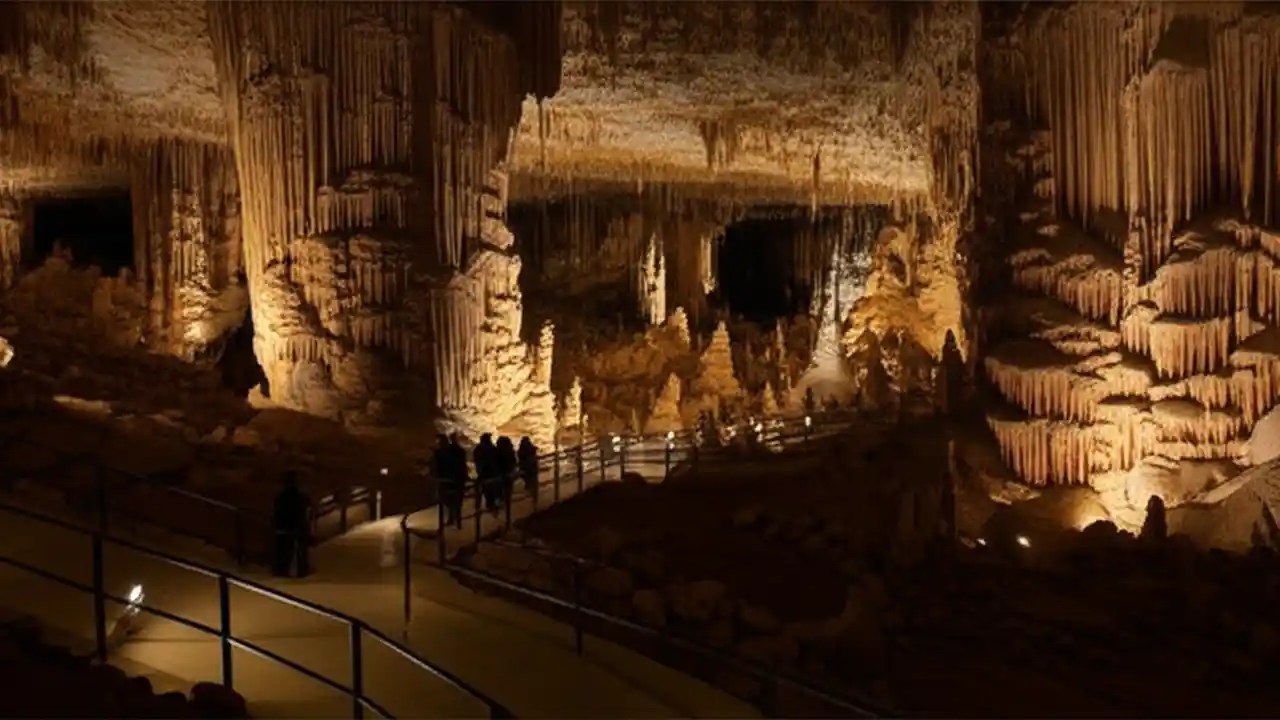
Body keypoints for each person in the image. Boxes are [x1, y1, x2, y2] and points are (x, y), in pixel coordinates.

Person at [272, 471, 312, 578]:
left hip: (284, 526)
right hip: (296, 526)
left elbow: (277, 512)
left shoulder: (281, 497)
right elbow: (305, 511)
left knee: (284, 549)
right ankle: (300, 569)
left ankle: (282, 569)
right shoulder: (300, 497)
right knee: (298, 549)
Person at [434, 435, 460, 526]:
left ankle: (453, 517)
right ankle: (453, 516)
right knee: (446, 499)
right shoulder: (442, 452)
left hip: (448, 479)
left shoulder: (447, 453)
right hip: (445, 478)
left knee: (449, 498)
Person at [473, 434, 499, 512]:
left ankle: (478, 506)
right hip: (491, 473)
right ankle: (490, 504)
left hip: (484, 473)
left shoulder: (479, 449)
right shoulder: (492, 448)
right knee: (490, 491)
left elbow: (477, 460)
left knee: (482, 490)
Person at [447, 433, 468, 527]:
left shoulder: (449, 451)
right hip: (458, 478)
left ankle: (453, 518)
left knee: (452, 500)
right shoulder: (460, 451)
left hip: (453, 478)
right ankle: (456, 519)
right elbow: (462, 465)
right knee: (457, 500)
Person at [496, 436, 518, 509]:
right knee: (507, 488)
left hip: (501, 473)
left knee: (501, 488)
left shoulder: (498, 451)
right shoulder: (510, 450)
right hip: (508, 472)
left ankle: (502, 502)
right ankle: (506, 503)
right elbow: (513, 461)